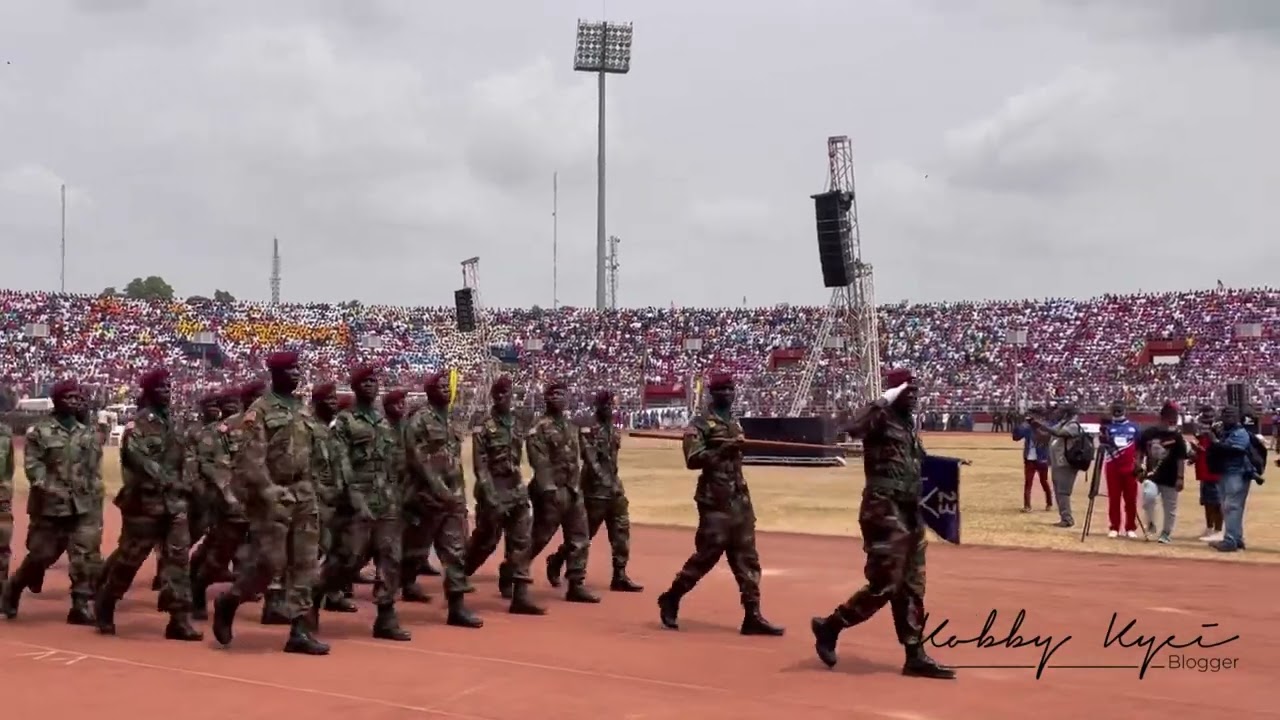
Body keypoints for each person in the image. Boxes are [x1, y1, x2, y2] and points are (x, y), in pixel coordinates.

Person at [810, 368, 954, 679]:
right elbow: (852, 428)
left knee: (913, 584)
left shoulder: (909, 425)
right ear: (895, 392)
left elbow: (918, 462)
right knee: (886, 582)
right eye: (908, 391)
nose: (914, 397)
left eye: (916, 391)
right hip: (883, 509)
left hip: (910, 510)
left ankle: (914, 654)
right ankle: (831, 626)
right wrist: (882, 401)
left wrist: (946, 467)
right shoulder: (879, 417)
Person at [210, 351, 328, 655]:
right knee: (268, 565)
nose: (297, 374)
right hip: (273, 496)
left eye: (298, 369)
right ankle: (231, 600)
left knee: (305, 564)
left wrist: (315, 486)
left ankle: (299, 631)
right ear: (275, 374)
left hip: (302, 494)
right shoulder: (259, 412)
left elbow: (313, 452)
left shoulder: (302, 411)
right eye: (290, 370)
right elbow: (252, 461)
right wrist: (269, 492)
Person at [656, 371, 783, 637]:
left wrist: (738, 447)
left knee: (747, 560)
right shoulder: (700, 423)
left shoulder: (734, 422)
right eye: (723, 390)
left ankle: (753, 615)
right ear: (712, 394)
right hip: (714, 502)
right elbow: (692, 459)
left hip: (739, 499)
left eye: (731, 389)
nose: (728, 394)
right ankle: (672, 596)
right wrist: (723, 449)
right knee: (706, 556)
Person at [94, 369, 202, 641]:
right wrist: (169, 481)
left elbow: (188, 457)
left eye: (169, 386)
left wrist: (188, 483)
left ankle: (179, 619)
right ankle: (107, 602)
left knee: (178, 561)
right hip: (145, 504)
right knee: (131, 559)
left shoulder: (174, 424)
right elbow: (140, 461)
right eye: (161, 387)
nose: (167, 391)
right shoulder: (138, 426)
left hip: (175, 505)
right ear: (150, 391)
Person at [312, 365, 410, 642]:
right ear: (355, 387)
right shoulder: (344, 422)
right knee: (348, 559)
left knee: (391, 559)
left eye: (373, 381)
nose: (370, 385)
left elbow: (393, 461)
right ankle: (316, 593)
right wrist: (353, 497)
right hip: (357, 502)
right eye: (364, 381)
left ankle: (386, 616)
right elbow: (340, 462)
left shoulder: (381, 422)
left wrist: (396, 492)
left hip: (386, 502)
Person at [1, 380, 104, 624]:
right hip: (50, 506)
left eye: (77, 397)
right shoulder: (40, 432)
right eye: (68, 397)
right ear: (57, 400)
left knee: (84, 553)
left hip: (82, 505)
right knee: (41, 555)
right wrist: (47, 486)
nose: (75, 401)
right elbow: (33, 466)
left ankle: (80, 605)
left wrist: (92, 494)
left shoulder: (85, 433)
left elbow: (92, 469)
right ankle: (14, 589)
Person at [403, 373, 481, 627]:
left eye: (448, 387)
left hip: (451, 500)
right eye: (440, 386)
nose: (446, 390)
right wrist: (439, 489)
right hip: (427, 499)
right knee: (414, 552)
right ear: (429, 391)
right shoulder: (420, 420)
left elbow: (454, 463)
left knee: (455, 552)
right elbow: (417, 460)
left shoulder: (450, 423)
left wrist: (458, 493)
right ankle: (397, 591)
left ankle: (457, 606)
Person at [464, 376, 545, 615]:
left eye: (505, 393)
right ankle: (457, 577)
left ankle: (520, 595)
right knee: (486, 541)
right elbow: (480, 466)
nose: (501, 398)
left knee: (521, 541)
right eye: (497, 394)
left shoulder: (519, 422)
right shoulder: (483, 424)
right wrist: (490, 496)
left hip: (516, 488)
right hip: (494, 488)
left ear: (512, 396)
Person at [548, 390, 643, 592]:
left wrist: (613, 483)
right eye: (606, 406)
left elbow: (612, 460)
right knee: (583, 536)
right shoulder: (588, 428)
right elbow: (589, 458)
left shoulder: (614, 430)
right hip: (594, 491)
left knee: (621, 532)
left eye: (612, 406)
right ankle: (557, 561)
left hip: (614, 489)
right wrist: (603, 479)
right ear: (598, 407)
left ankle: (619, 574)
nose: (610, 409)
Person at [527, 380, 600, 604]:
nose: (558, 397)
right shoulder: (539, 427)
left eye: (562, 393)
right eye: (553, 394)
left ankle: (576, 584)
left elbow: (576, 459)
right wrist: (549, 489)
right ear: (546, 399)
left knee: (580, 538)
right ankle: (512, 570)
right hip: (550, 492)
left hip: (572, 490)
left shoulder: (571, 426)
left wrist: (577, 487)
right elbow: (538, 461)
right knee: (539, 538)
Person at [1137, 402, 1186, 544]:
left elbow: (1180, 459)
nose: (1173, 423)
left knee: (1170, 508)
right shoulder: (1149, 433)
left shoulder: (1177, 437)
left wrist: (1180, 478)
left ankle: (1166, 533)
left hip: (1171, 477)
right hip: (1152, 475)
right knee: (1149, 497)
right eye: (1170, 420)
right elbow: (1139, 452)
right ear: (1162, 418)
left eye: (1175, 420)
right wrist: (1138, 467)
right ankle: (1151, 523)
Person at [1207, 406, 1253, 553]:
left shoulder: (1241, 433)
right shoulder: (1225, 432)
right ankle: (1237, 539)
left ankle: (1230, 541)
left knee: (1231, 507)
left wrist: (1215, 441)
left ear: (1238, 417)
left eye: (1231, 415)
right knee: (1231, 507)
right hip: (1226, 472)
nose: (1228, 418)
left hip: (1237, 473)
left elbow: (1235, 450)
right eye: (1225, 415)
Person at [1103, 401, 1140, 538]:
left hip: (1129, 468)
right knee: (1114, 498)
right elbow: (1103, 444)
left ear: (1125, 410)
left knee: (1131, 499)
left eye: (1120, 409)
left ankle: (1130, 527)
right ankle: (1114, 527)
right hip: (1112, 466)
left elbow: (1140, 448)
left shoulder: (1134, 427)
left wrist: (1138, 463)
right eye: (1115, 409)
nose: (1117, 411)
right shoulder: (1107, 427)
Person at [1187, 405, 1224, 542]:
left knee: (1216, 502)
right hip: (1203, 472)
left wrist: (1200, 449)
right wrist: (1194, 455)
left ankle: (1218, 530)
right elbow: (1201, 450)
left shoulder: (1219, 431)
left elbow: (1218, 450)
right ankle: (1209, 528)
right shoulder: (1201, 432)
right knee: (1207, 502)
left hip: (1214, 472)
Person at [1011, 409, 1051, 513]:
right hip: (1029, 459)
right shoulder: (1028, 428)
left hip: (1041, 458)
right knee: (1028, 482)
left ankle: (1049, 502)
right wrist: (1018, 425)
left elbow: (1046, 438)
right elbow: (1016, 437)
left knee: (1044, 482)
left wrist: (1037, 426)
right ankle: (1027, 505)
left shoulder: (1045, 426)